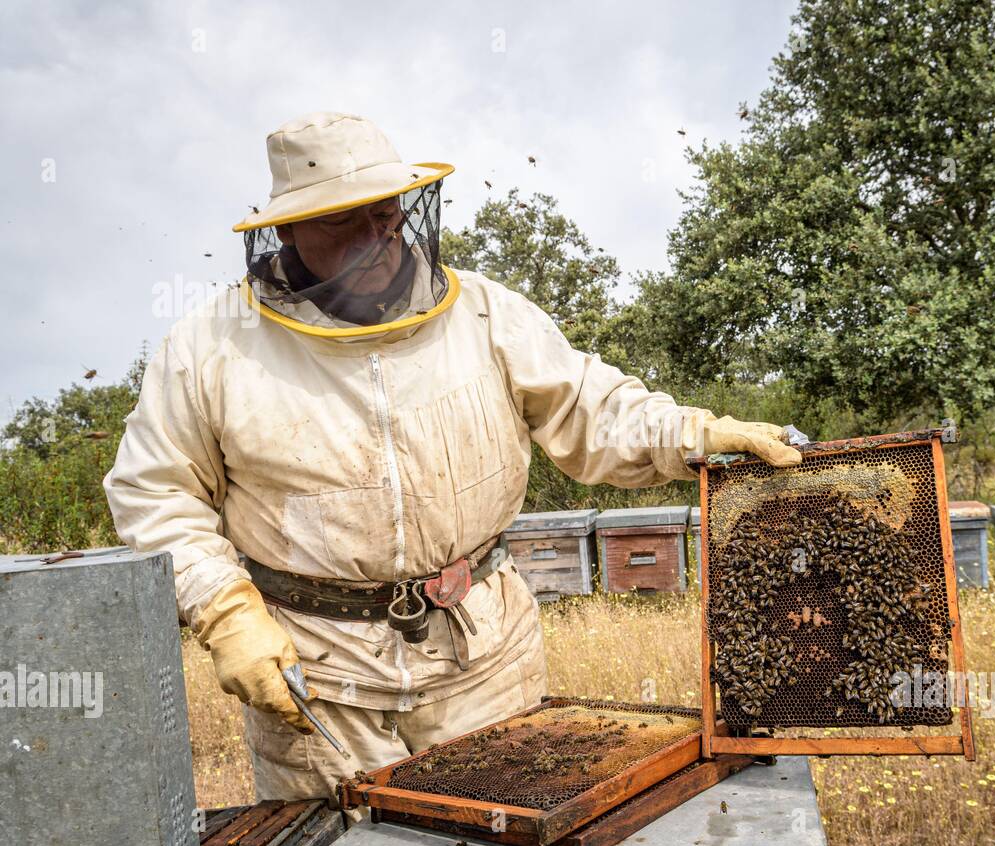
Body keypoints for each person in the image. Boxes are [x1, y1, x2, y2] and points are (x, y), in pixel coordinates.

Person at [103, 111, 802, 804]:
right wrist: (226, 614)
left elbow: (593, 409)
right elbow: (155, 494)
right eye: (345, 220)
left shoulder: (488, 316)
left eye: (384, 211)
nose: (377, 235)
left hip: (483, 660)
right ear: (287, 230)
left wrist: (692, 433)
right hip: (319, 681)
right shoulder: (211, 346)